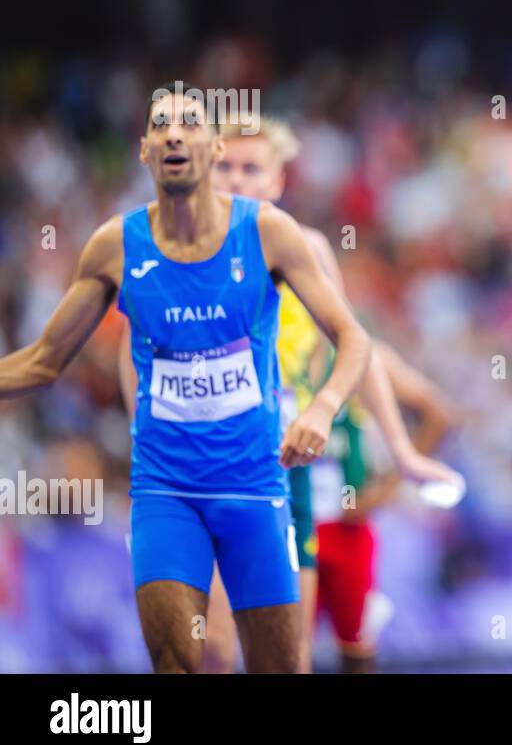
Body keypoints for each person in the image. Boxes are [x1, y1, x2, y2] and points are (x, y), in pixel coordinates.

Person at [0, 83, 372, 673]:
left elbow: (353, 338)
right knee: (179, 661)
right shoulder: (114, 247)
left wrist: (322, 407)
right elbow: (44, 360)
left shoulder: (268, 232)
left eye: (190, 123)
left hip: (255, 488)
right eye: (161, 125)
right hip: (166, 493)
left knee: (280, 665)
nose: (175, 132)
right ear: (145, 149)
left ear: (212, 147)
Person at [118, 114, 462, 673]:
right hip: (201, 468)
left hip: (280, 470)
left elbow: (357, 347)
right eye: (225, 165)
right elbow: (133, 356)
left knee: (287, 653)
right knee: (214, 648)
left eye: (253, 169)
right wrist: (151, 445)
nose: (237, 179)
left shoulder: (302, 248)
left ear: (278, 182)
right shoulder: (171, 249)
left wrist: (400, 451)